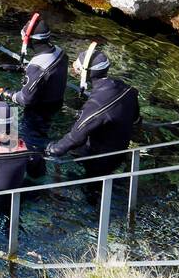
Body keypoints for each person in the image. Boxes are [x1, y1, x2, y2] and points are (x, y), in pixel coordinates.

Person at [47, 45, 140, 179]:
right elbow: (136, 120)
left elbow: (75, 138)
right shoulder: (127, 89)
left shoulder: (96, 105)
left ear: (86, 73)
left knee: (91, 190)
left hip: (100, 160)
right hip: (119, 152)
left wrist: (53, 150)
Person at [7, 13, 66, 178]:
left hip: (38, 113)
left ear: (29, 39)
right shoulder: (60, 53)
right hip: (55, 105)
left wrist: (7, 93)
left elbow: (25, 99)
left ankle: (35, 176)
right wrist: (22, 68)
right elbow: (46, 75)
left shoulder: (37, 67)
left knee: (31, 144)